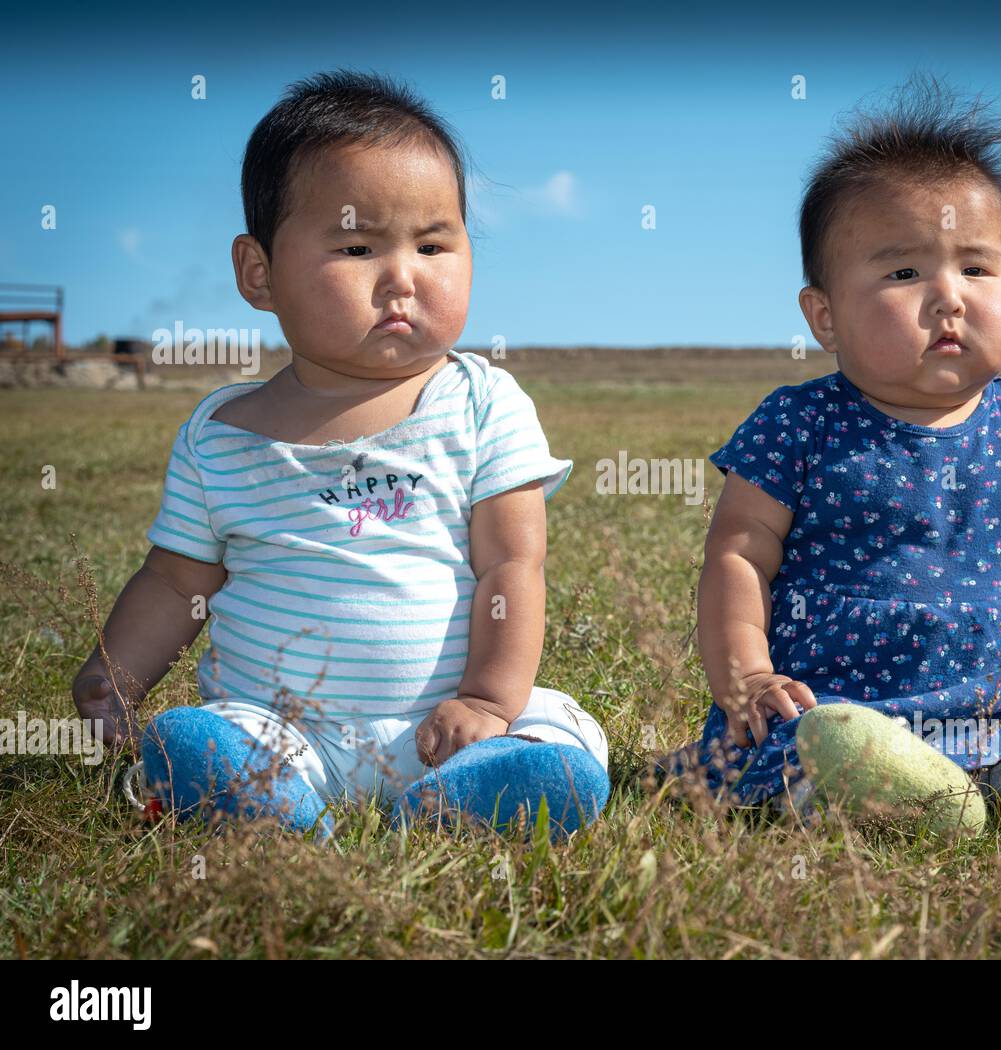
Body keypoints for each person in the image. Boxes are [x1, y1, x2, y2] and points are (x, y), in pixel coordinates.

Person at [662, 75, 1001, 834]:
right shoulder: (798, 421)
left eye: (978, 267)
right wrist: (748, 675)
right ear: (823, 315)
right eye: (903, 272)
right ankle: (891, 791)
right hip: (840, 708)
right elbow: (737, 557)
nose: (948, 295)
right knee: (819, 745)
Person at [72, 70, 609, 841]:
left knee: (554, 735)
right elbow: (174, 579)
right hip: (283, 729)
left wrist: (490, 701)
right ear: (259, 273)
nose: (402, 278)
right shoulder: (222, 434)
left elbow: (511, 567)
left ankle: (466, 795)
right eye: (358, 246)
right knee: (204, 738)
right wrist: (115, 677)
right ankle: (271, 800)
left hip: (450, 728)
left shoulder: (483, 404)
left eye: (433, 244)